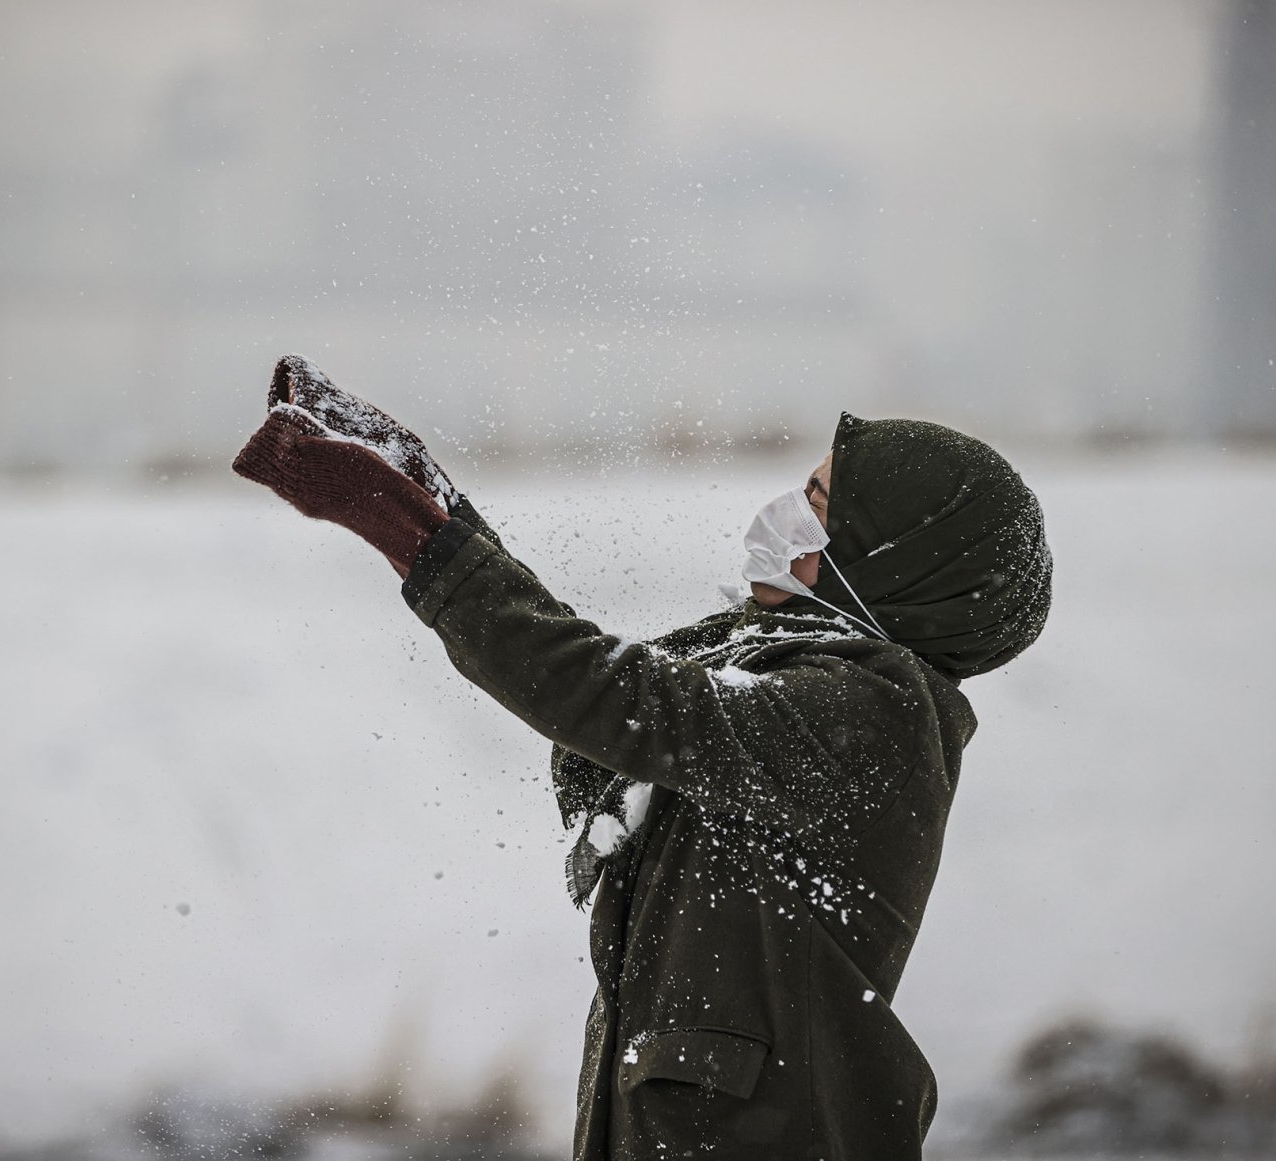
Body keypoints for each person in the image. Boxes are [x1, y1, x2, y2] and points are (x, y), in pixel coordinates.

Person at [232, 355, 1053, 1161]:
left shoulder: (869, 714)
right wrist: (427, 487)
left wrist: (402, 522)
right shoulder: (804, 683)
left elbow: (604, 693)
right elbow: (603, 682)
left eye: (818, 504)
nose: (784, 515)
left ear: (891, 558)